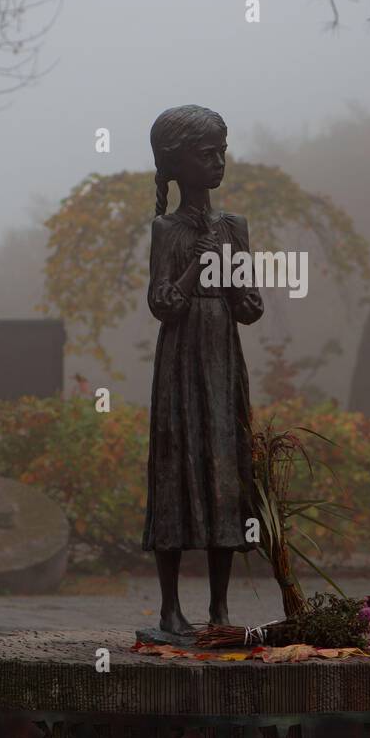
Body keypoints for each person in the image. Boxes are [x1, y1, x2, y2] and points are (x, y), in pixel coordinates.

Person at [143, 104, 264, 634]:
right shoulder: (166, 229)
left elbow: (249, 307)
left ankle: (220, 609)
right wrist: (201, 260)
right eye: (205, 153)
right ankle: (170, 607)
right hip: (181, 361)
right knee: (173, 469)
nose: (217, 162)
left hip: (222, 361)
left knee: (224, 471)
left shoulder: (234, 226)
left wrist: (235, 276)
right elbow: (164, 303)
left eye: (222, 151)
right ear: (176, 163)